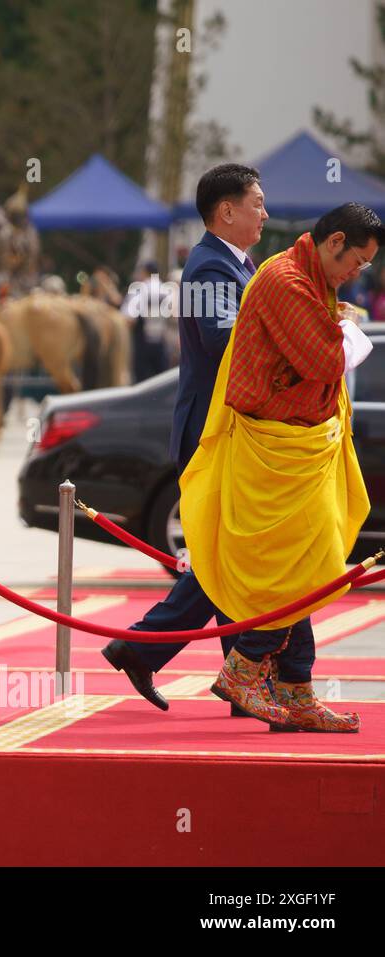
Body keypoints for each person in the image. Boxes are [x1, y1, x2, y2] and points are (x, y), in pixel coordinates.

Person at [185, 203, 378, 732]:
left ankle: (296, 690)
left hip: (300, 445)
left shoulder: (310, 278)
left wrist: (341, 329)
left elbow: (323, 348)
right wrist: (348, 336)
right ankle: (245, 668)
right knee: (301, 573)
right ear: (334, 240)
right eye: (357, 262)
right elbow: (322, 360)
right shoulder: (285, 281)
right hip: (274, 449)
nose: (357, 275)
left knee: (308, 571)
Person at [101, 163, 267, 710]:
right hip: (211, 433)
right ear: (226, 211)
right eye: (256, 203)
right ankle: (164, 654)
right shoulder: (209, 269)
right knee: (227, 558)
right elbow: (225, 344)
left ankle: (152, 653)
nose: (264, 214)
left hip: (227, 429)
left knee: (225, 559)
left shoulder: (235, 264)